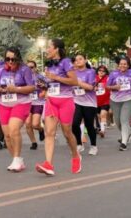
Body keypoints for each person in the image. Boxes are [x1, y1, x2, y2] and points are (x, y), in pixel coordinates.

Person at [36, 39, 81, 176]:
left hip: (65, 101)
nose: (47, 50)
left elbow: (74, 81)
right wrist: (44, 85)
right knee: (49, 132)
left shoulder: (66, 62)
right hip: (51, 101)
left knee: (67, 133)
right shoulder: (49, 65)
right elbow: (51, 82)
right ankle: (48, 164)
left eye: (49, 47)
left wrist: (55, 77)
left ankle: (75, 156)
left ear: (56, 49)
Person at [0, 47, 35, 172]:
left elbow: (31, 88)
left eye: (13, 59)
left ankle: (17, 160)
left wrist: (16, 89)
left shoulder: (25, 69)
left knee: (14, 129)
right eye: (7, 59)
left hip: (21, 102)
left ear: (18, 58)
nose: (10, 61)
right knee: (7, 136)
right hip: (4, 104)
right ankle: (17, 159)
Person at [106, 56, 131, 151]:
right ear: (118, 65)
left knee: (124, 120)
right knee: (118, 121)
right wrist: (115, 87)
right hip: (115, 100)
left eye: (125, 64)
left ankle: (124, 143)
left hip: (129, 99)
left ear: (128, 65)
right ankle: (127, 135)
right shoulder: (113, 74)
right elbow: (107, 86)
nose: (123, 65)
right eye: (121, 64)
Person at [72, 54, 98, 155]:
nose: (77, 61)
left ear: (85, 60)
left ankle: (93, 146)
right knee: (74, 123)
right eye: (76, 60)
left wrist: (77, 82)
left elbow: (90, 87)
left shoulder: (90, 72)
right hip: (76, 101)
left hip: (89, 102)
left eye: (80, 59)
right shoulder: (73, 72)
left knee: (89, 125)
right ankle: (79, 144)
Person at [25, 60, 45, 150]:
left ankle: (41, 130)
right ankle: (33, 142)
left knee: (35, 124)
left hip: (38, 102)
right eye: (28, 67)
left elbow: (48, 86)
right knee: (28, 124)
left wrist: (43, 91)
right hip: (27, 103)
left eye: (32, 67)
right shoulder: (23, 77)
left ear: (35, 68)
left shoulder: (40, 77)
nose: (30, 69)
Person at [95, 65, 110, 138]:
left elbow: (111, 86)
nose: (101, 72)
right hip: (96, 101)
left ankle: (102, 130)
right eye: (99, 70)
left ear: (105, 72)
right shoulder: (94, 78)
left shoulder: (108, 78)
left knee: (103, 114)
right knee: (98, 116)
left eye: (103, 71)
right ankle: (102, 126)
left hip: (106, 100)